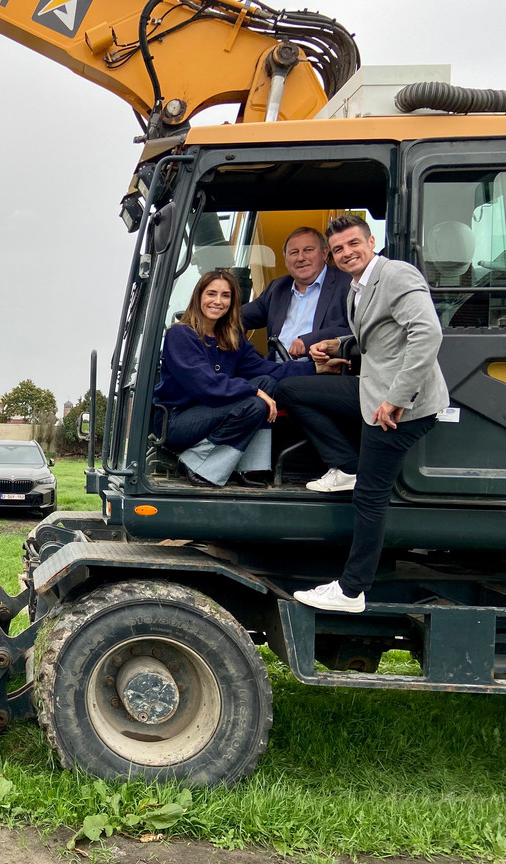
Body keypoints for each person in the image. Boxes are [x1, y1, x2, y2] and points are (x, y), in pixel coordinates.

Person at [282, 214, 449, 613]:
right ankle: (345, 465)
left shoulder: (396, 275)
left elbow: (427, 334)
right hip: (373, 389)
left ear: (371, 242)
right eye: (338, 249)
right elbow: (375, 338)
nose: (346, 253)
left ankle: (351, 589)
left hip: (398, 406)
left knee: (371, 498)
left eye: (353, 244)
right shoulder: (357, 287)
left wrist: (396, 399)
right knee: (293, 388)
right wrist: (337, 347)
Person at [153, 269, 316, 488]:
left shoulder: (230, 339)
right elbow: (206, 385)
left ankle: (246, 466)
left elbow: (268, 370)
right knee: (255, 403)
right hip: (176, 421)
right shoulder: (181, 334)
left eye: (225, 296)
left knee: (266, 383)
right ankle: (196, 463)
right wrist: (254, 391)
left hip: (212, 412)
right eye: (211, 294)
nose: (218, 301)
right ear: (199, 297)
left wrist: (319, 369)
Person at [242, 226, 351, 359]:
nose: (301, 258)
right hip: (276, 370)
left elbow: (356, 331)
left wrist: (309, 341)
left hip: (320, 371)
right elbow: (238, 317)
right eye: (294, 252)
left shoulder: (347, 284)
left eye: (308, 250)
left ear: (324, 252)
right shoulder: (278, 288)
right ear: (286, 259)